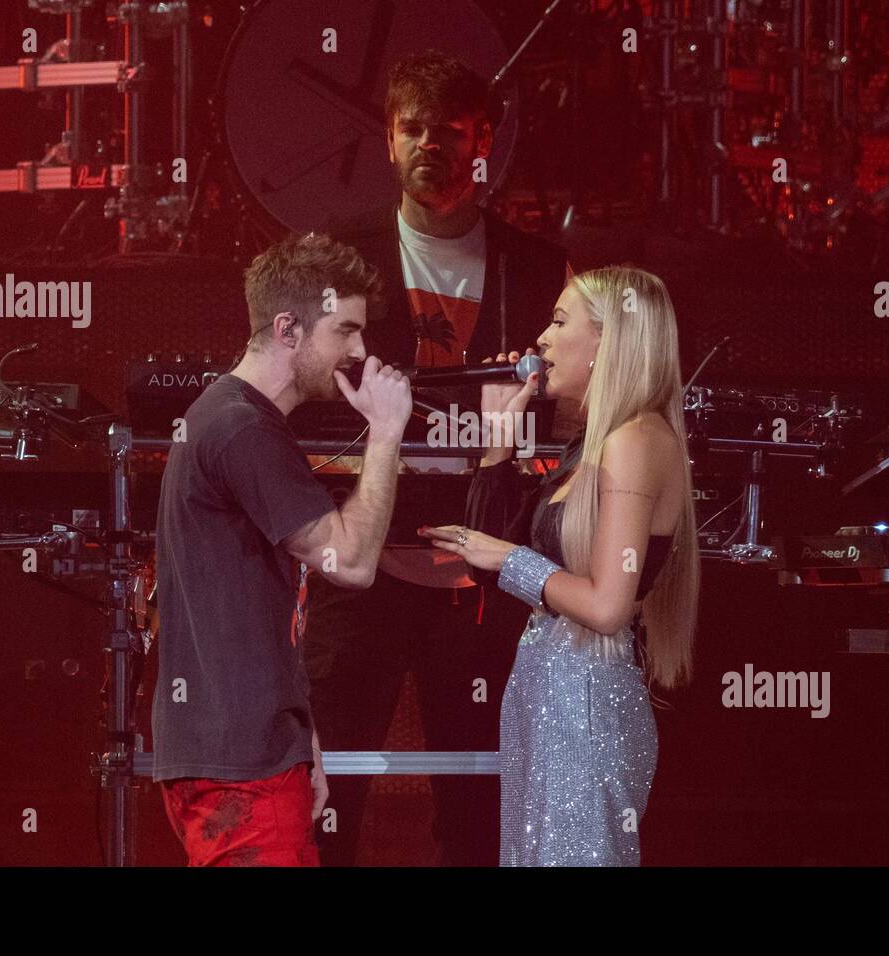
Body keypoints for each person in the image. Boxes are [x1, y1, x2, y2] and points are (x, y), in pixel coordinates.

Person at [302, 50, 569, 866]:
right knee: (327, 794)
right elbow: (299, 399)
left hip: (481, 575)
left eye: (450, 132)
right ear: (387, 141)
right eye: (411, 128)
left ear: (483, 142)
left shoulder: (539, 268)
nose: (429, 146)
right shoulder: (338, 262)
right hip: (363, 564)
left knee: (481, 804)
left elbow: (569, 416)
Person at [421, 266, 700, 866]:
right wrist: (500, 438)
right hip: (548, 688)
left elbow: (606, 606)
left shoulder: (636, 439)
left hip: (586, 703)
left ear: (609, 339)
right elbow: (492, 567)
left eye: (558, 320)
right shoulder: (591, 448)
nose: (540, 340)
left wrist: (509, 557)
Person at [152, 233, 412, 866]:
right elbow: (349, 563)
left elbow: (259, 616)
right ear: (288, 328)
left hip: (254, 751)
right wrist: (384, 434)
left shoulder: (239, 420)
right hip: (239, 762)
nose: (359, 350)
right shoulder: (241, 429)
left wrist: (304, 740)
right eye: (345, 331)